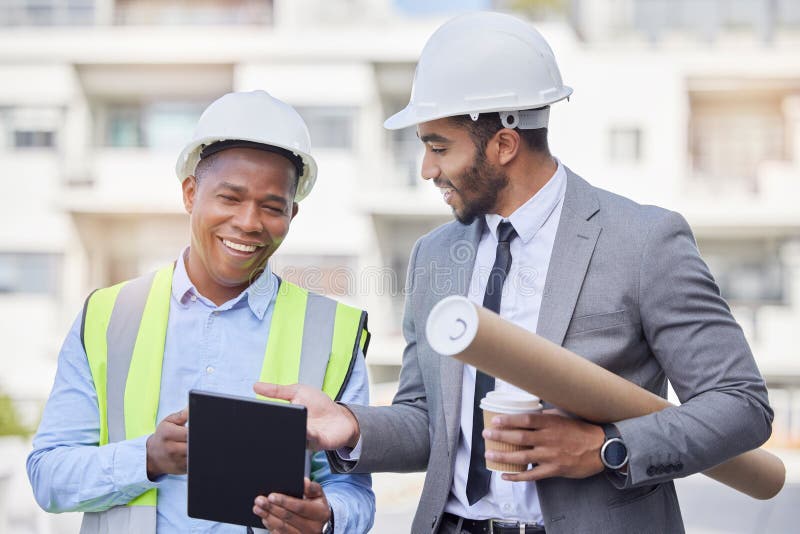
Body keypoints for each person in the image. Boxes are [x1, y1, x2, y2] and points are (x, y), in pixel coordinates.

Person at [254, 12, 773, 534]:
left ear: (504, 145)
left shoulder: (642, 242)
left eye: (438, 147)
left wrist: (606, 448)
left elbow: (741, 406)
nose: (426, 169)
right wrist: (351, 426)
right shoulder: (435, 256)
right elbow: (428, 420)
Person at [27, 90, 375, 534]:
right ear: (191, 193)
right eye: (230, 198)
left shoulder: (334, 333)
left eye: (273, 206)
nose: (250, 222)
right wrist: (147, 458)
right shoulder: (108, 316)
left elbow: (355, 494)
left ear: (293, 213)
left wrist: (328, 518)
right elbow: (48, 476)